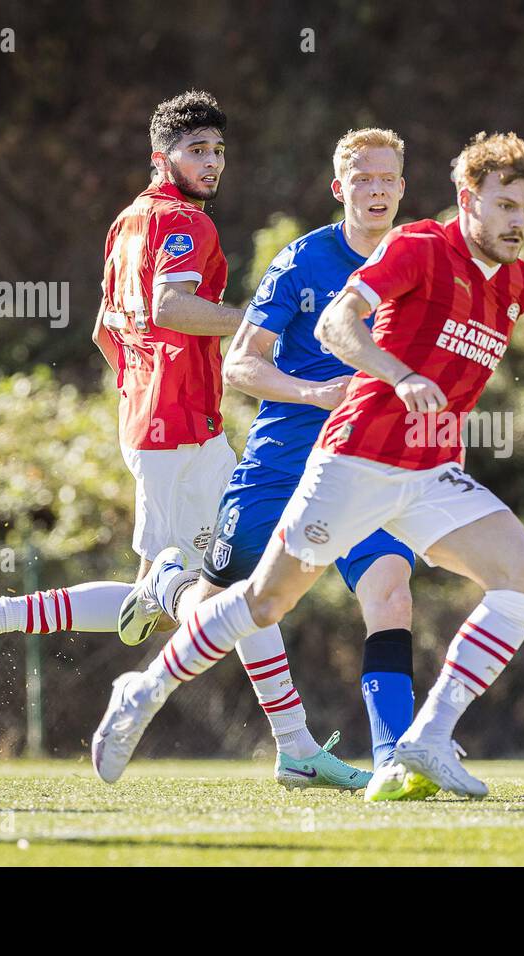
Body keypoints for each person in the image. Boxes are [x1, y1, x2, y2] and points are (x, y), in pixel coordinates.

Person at [91, 132, 524, 802]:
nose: (516, 220)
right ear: (465, 199)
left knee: (523, 578)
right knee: (264, 600)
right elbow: (337, 326)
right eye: (503, 204)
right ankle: (144, 688)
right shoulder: (419, 246)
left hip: (425, 472)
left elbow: (457, 375)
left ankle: (422, 738)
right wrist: (398, 375)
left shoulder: (518, 284)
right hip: (356, 457)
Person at [122, 128, 418, 790]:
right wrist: (317, 391)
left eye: (388, 179)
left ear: (402, 187)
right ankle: (168, 581)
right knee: (221, 613)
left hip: (365, 467)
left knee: (391, 590)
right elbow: (240, 365)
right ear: (340, 189)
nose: (376, 190)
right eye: (363, 179)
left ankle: (396, 760)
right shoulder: (302, 261)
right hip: (282, 465)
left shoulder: (418, 262)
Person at [0, 91, 240, 691]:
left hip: (173, 424)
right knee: (202, 588)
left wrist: (138, 387)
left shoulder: (127, 221)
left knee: (168, 600)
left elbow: (105, 330)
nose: (212, 162)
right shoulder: (185, 220)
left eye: (219, 151)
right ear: (162, 157)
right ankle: (292, 742)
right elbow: (170, 306)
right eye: (197, 150)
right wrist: (258, 321)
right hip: (174, 427)